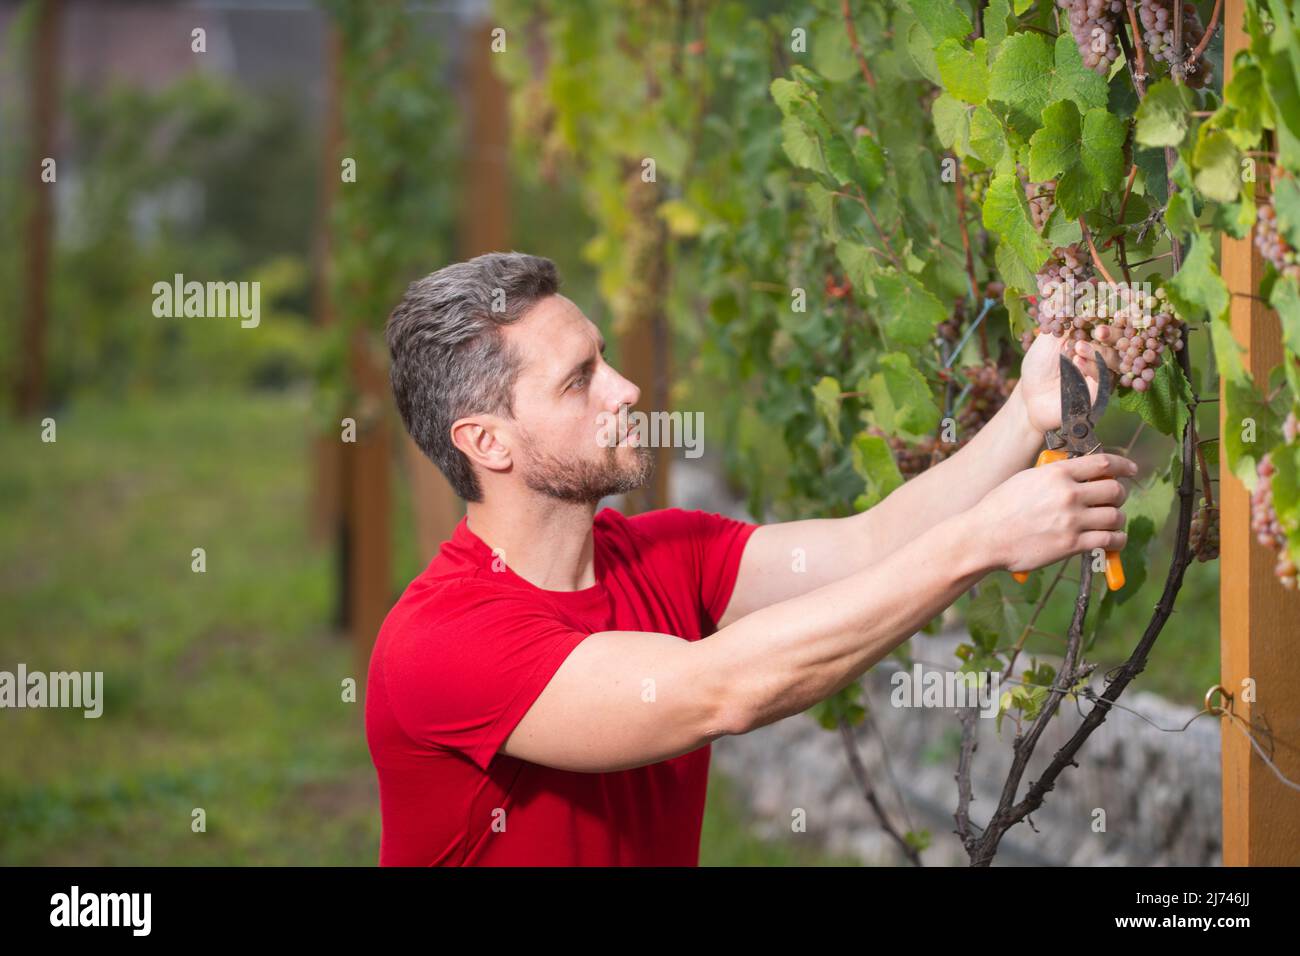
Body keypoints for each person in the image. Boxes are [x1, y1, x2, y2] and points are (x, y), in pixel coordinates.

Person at [365, 251, 1135, 865]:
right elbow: (718, 693)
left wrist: (1024, 417)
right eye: (580, 381)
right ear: (486, 442)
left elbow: (870, 545)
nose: (626, 389)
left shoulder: (659, 553)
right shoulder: (443, 640)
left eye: (604, 358)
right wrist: (981, 543)